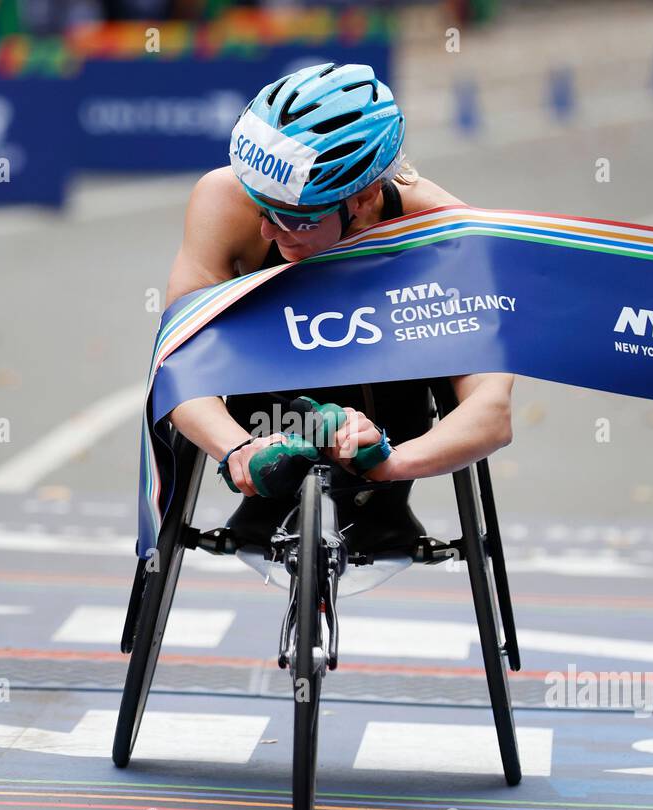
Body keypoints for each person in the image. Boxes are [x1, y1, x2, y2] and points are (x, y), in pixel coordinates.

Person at [164, 61, 514, 554]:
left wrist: (391, 462)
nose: (267, 230)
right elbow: (180, 364)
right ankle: (277, 475)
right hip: (262, 402)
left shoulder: (446, 232)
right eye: (262, 207)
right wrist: (236, 448)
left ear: (366, 197)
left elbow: (491, 412)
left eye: (293, 218)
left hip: (386, 417)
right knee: (216, 334)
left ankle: (374, 499)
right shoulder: (224, 198)